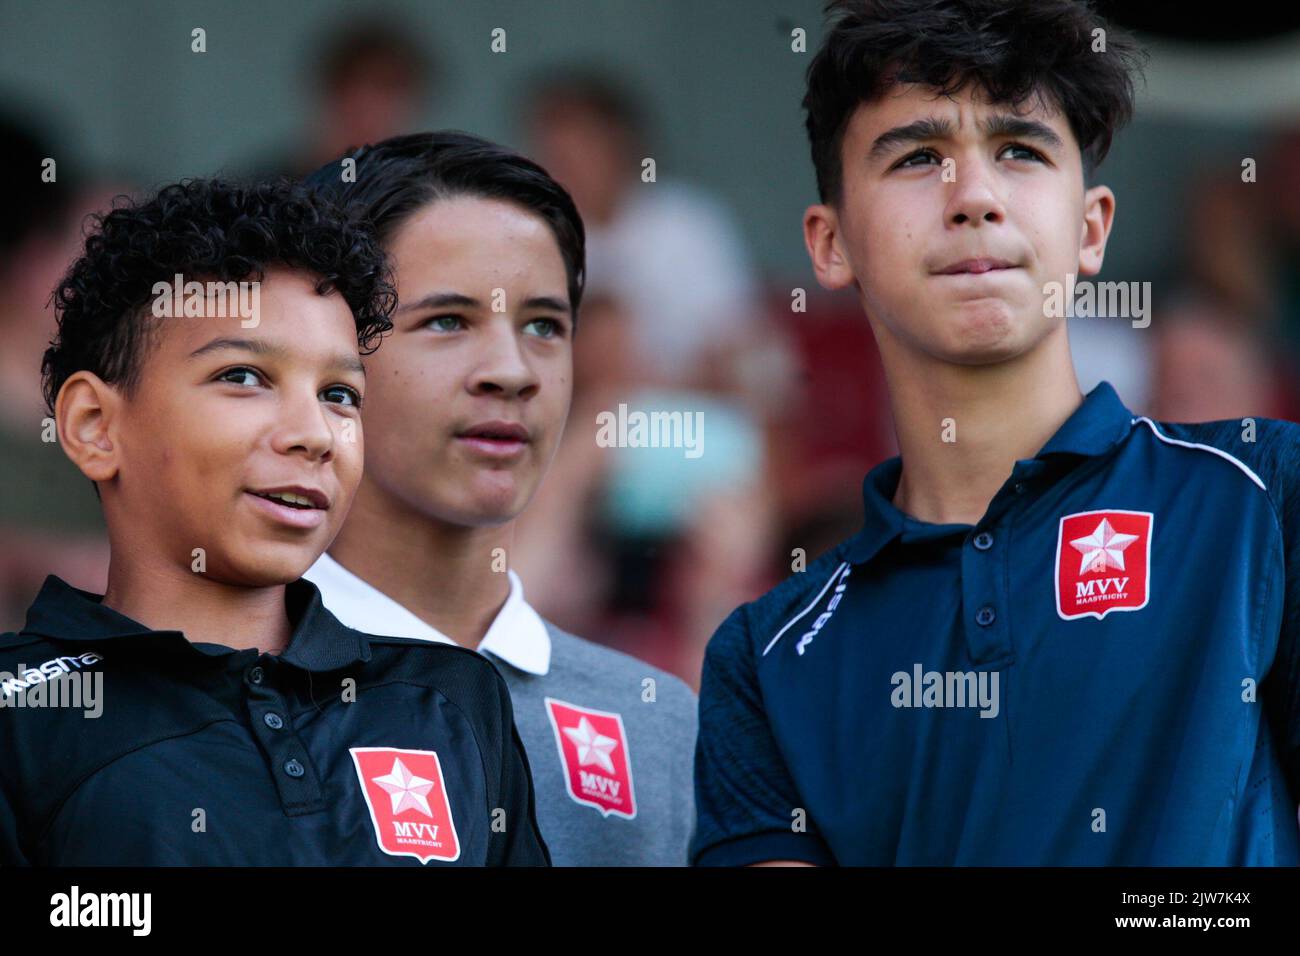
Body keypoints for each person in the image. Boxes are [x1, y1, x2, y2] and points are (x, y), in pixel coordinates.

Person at [691, 0, 1300, 865]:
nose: (973, 195)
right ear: (831, 246)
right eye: (917, 156)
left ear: (1090, 229)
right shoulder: (766, 658)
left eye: (1019, 150)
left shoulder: (1265, 496)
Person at [0, 177, 549, 866]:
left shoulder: (452, 699)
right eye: (244, 377)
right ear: (95, 426)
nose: (313, 433)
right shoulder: (20, 716)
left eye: (340, 394)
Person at [302, 132, 698, 865]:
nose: (513, 372)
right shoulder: (212, 697)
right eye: (448, 321)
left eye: (545, 326)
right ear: (326, 359)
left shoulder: (661, 721)